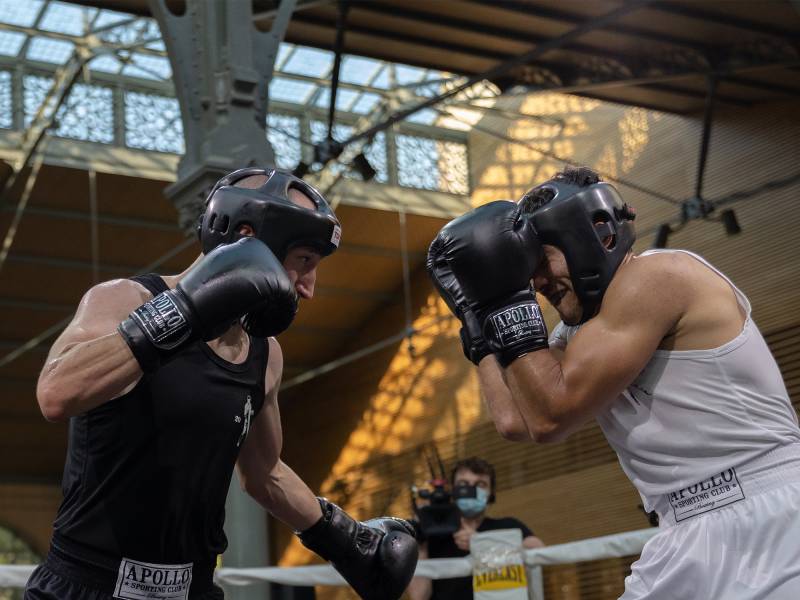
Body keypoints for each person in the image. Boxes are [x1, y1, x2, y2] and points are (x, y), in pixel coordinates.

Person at [27, 168, 417, 600]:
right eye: (304, 261)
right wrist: (183, 313)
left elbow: (264, 472)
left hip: (192, 587)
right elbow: (55, 393)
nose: (308, 289)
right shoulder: (125, 300)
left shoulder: (265, 354)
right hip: (86, 585)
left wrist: (345, 540)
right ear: (245, 238)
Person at [427, 166, 800, 599]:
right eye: (523, 268)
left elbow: (550, 416)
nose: (535, 281)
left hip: (772, 512)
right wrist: (481, 321)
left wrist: (505, 302)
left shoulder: (658, 276)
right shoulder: (576, 336)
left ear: (594, 235)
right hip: (684, 530)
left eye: (541, 259)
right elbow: (518, 420)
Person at [407, 457, 544, 600]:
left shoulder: (508, 526)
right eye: (463, 484)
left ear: (491, 493)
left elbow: (539, 550)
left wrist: (482, 543)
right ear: (452, 491)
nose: (470, 490)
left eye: (480, 484)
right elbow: (419, 596)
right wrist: (420, 540)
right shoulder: (433, 535)